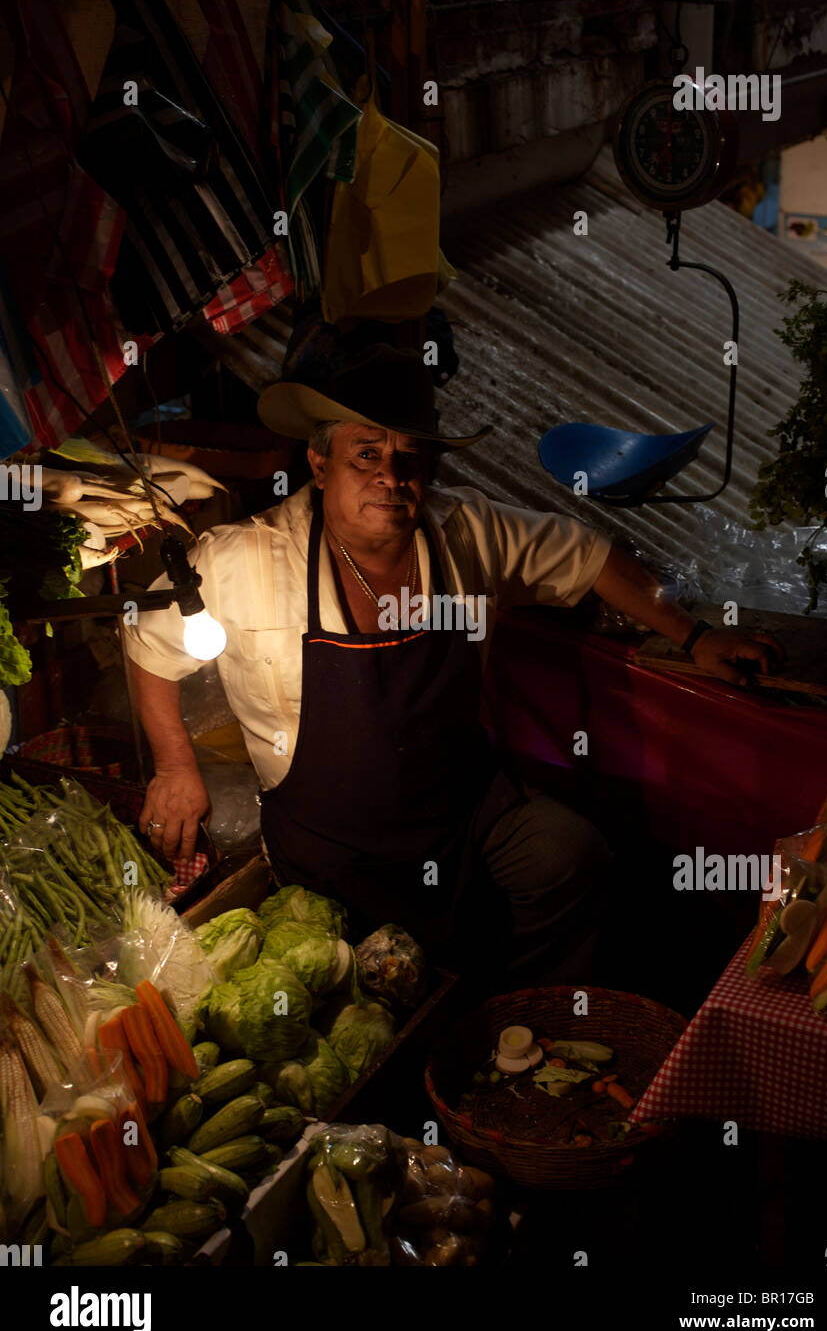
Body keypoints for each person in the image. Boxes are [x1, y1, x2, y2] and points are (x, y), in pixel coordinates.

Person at [126, 344, 783, 977]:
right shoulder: (243, 559)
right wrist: (176, 766)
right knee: (367, 984)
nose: (391, 475)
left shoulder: (464, 531)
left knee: (569, 855)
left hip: (463, 812)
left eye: (410, 457)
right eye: (366, 455)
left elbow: (587, 553)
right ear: (320, 464)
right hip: (330, 845)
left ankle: (527, 1014)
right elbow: (148, 647)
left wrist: (695, 636)